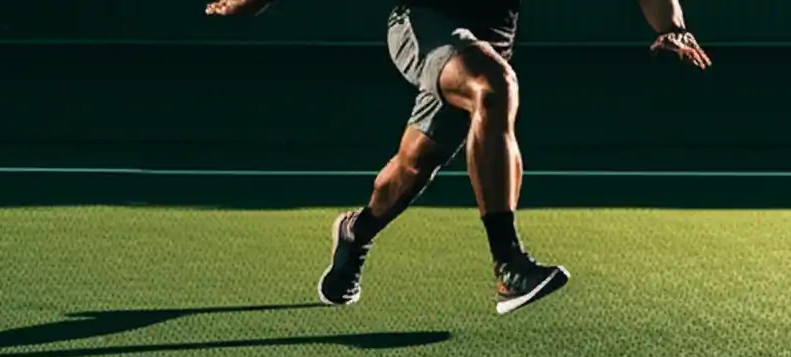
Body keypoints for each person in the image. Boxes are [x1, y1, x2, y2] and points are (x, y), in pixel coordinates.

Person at [206, 0, 711, 314]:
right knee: (496, 84)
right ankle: (508, 264)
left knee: (411, 168)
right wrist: (248, 3)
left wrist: (672, 25)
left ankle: (355, 233)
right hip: (421, 25)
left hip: (486, 46)